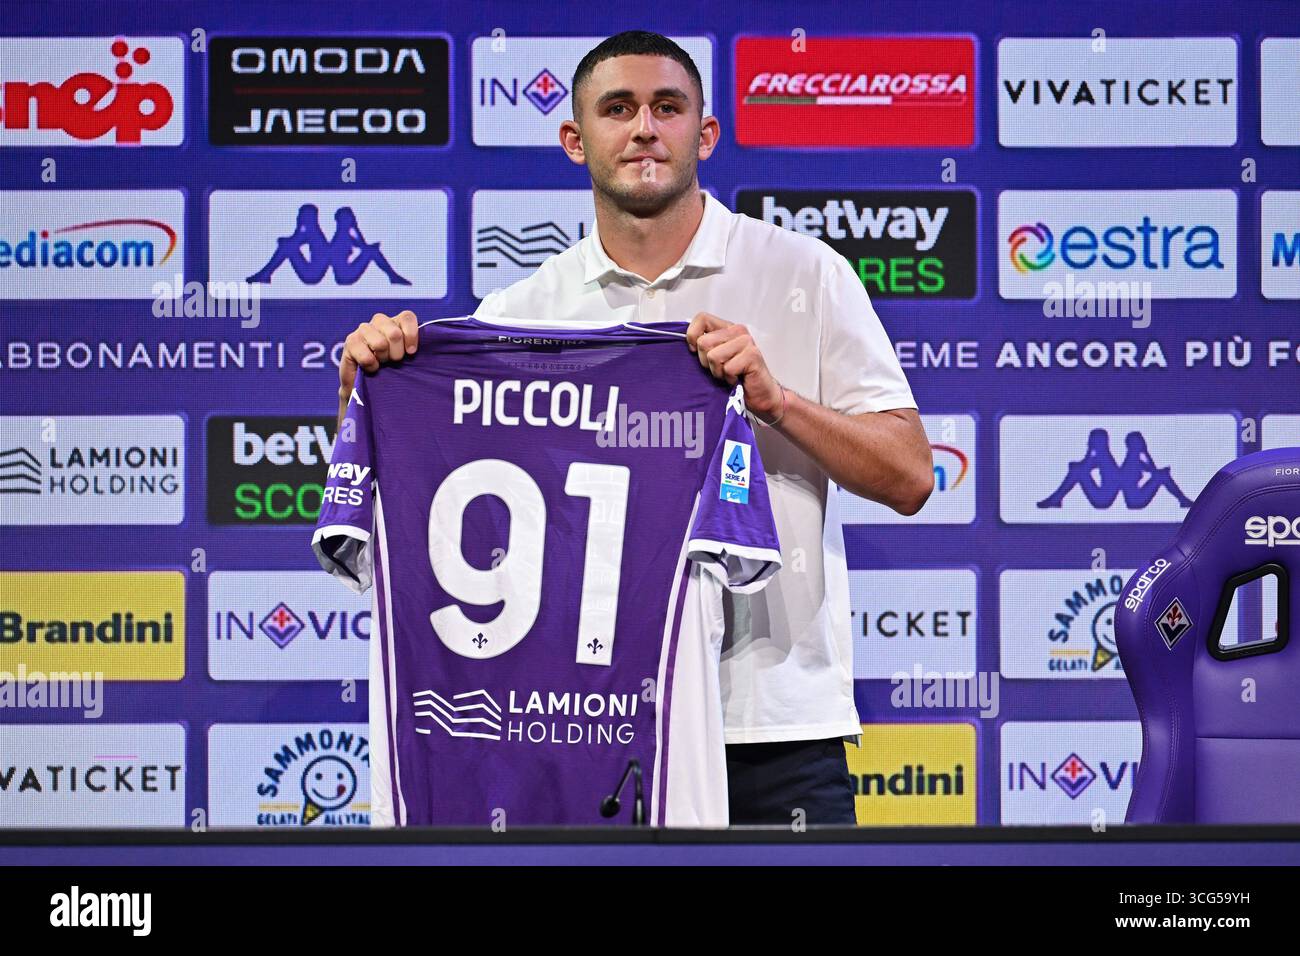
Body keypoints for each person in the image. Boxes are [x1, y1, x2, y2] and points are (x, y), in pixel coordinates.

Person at [335, 31, 933, 825]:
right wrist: (366, 392)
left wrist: (776, 401)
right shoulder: (518, 315)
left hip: (773, 731)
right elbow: (428, 506)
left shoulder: (805, 272)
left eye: (667, 107)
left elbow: (911, 476)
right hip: (585, 730)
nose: (644, 128)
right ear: (575, 141)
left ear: (705, 134)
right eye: (618, 109)